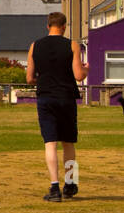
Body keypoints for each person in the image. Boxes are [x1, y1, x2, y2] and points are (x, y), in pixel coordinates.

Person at [26, 11, 87, 202]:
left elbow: (29, 78)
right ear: (64, 26)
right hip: (66, 97)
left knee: (50, 142)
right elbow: (78, 75)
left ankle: (54, 188)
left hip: (46, 97)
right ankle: (70, 183)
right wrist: (86, 69)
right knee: (68, 142)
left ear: (47, 25)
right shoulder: (72, 45)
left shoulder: (35, 46)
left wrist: (42, 80)